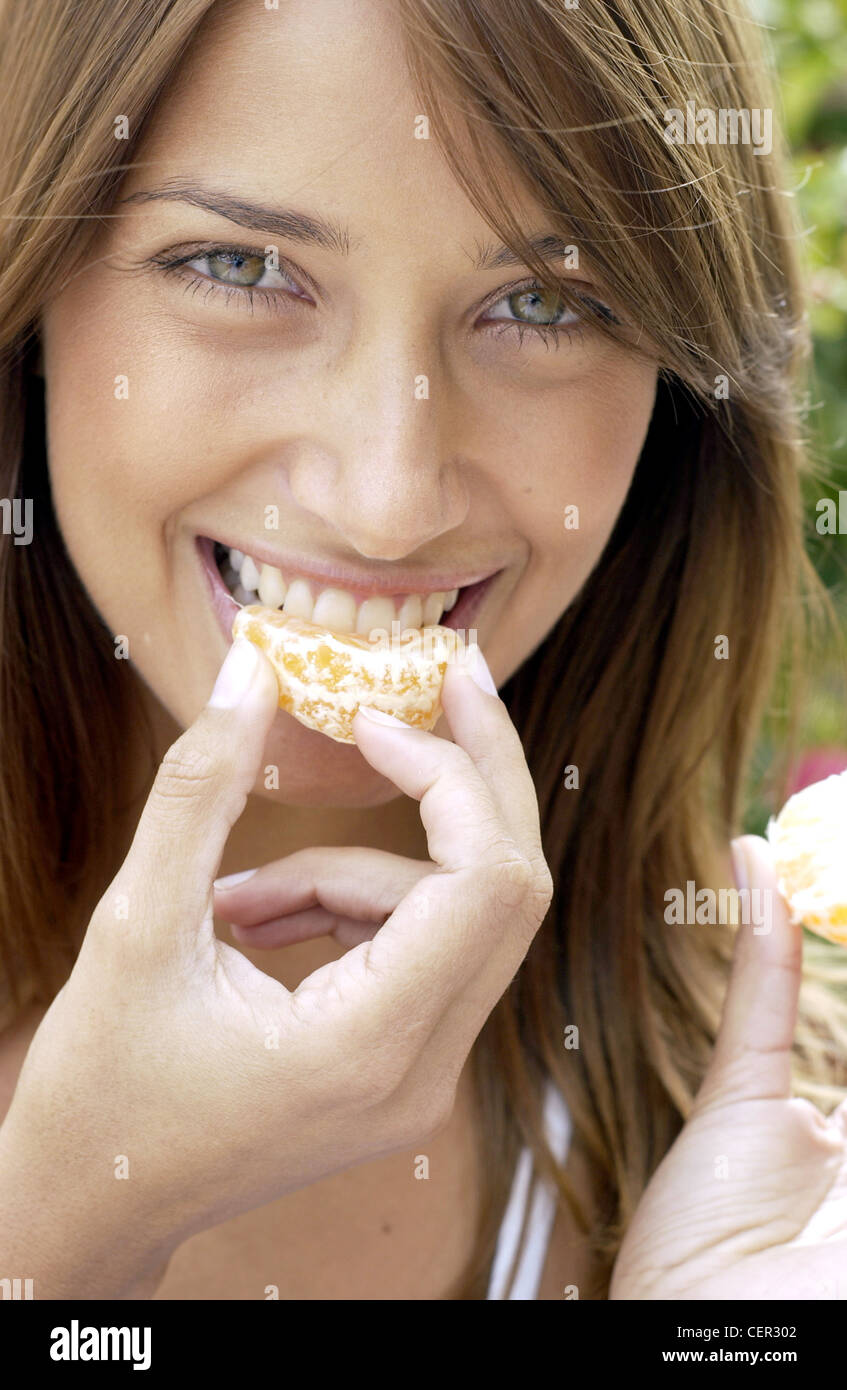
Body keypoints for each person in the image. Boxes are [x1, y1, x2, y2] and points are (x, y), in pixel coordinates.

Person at [0, 0, 845, 1301]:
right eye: (237, 267)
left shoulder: (796, 1153)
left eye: (541, 300)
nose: (387, 500)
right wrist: (59, 1241)